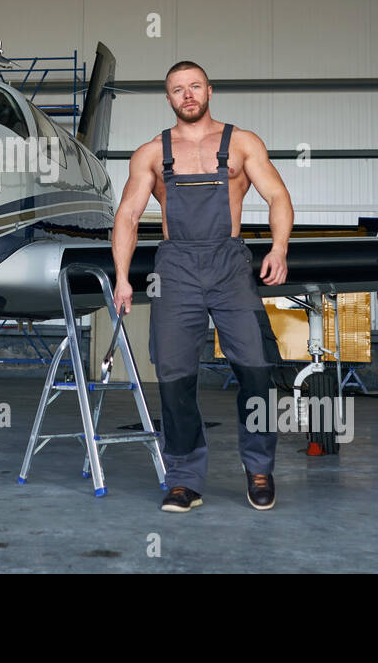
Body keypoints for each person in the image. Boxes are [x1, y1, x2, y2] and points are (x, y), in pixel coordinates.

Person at [111, 61, 293, 512]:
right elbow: (128, 217)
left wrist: (279, 249)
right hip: (176, 268)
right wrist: (121, 278)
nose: (187, 95)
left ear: (209, 90)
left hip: (229, 264)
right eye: (177, 89)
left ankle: (259, 468)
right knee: (174, 378)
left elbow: (278, 196)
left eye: (194, 86)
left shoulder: (244, 143)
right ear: (169, 98)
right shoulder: (151, 153)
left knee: (258, 368)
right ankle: (183, 480)